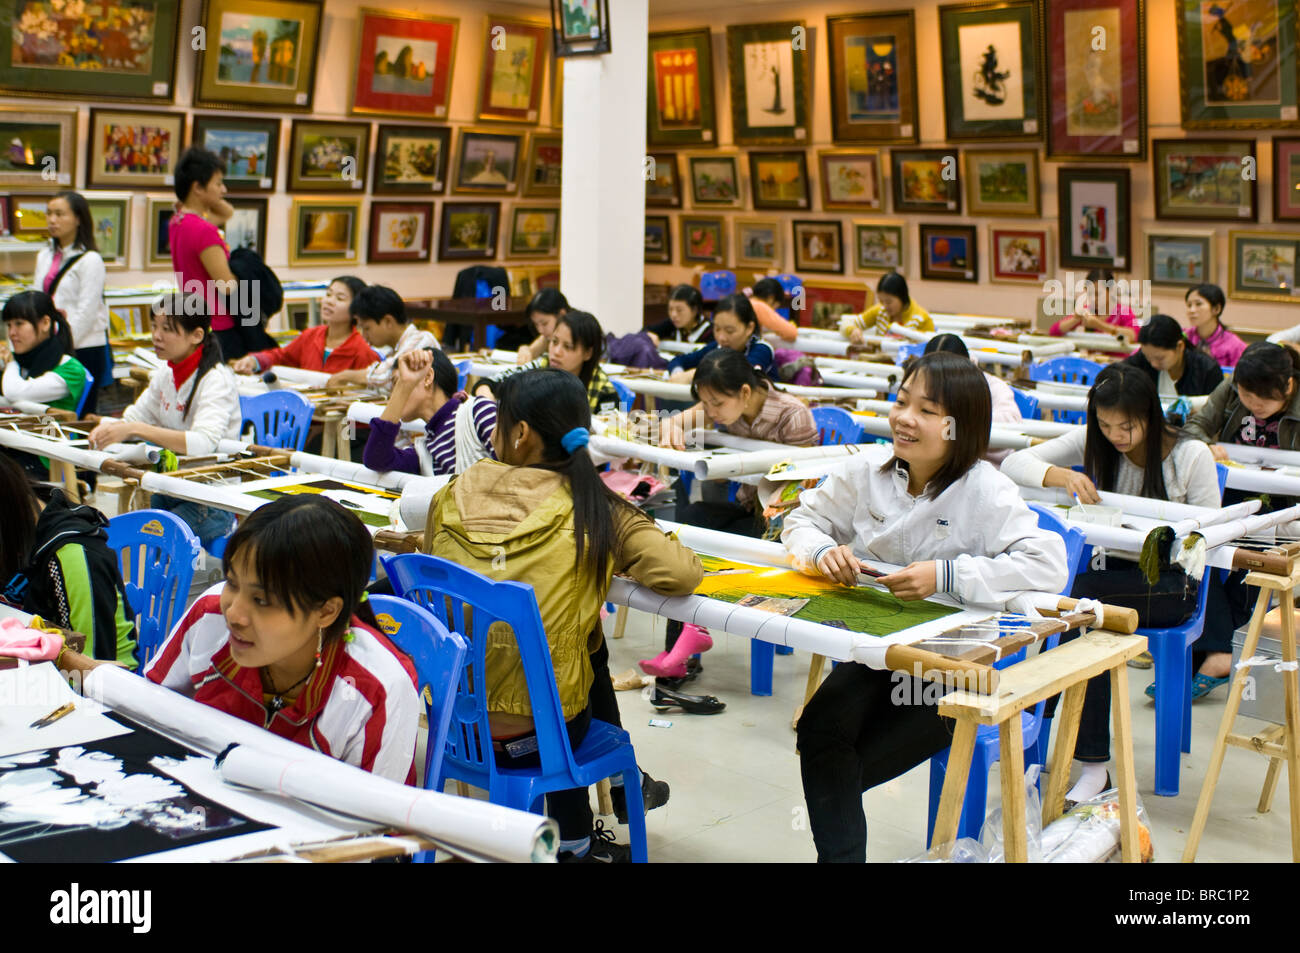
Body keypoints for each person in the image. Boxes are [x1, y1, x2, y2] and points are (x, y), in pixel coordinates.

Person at [783, 352, 1068, 862]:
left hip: (955, 665)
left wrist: (945, 575)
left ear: (960, 427)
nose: (904, 418)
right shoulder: (865, 471)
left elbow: (1047, 564)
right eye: (901, 401)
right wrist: (823, 551)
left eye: (927, 409)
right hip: (879, 650)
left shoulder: (984, 490)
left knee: (829, 753)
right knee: (820, 730)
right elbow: (801, 521)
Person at [423, 369, 701, 861]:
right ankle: (591, 821)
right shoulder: (595, 508)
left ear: (521, 433)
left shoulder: (450, 495)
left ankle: (579, 831)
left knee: (567, 638)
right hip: (536, 739)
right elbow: (680, 574)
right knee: (576, 645)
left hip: (454, 726)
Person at [61, 496, 421, 783]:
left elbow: (372, 831)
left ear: (326, 612)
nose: (235, 613)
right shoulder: (210, 616)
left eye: (262, 600)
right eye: (233, 582)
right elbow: (149, 710)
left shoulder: (376, 688)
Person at [1000, 363, 1220, 803]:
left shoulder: (1191, 456)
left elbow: (1209, 540)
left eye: (1127, 425)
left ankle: (1041, 732)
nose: (1116, 435)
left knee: (1077, 603)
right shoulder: (1095, 442)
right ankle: (1076, 755)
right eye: (1104, 424)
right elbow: (1012, 461)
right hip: (1111, 580)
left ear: (1151, 416)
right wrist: (1059, 475)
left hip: (1175, 588)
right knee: (1086, 617)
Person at [647, 348, 818, 702]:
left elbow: (802, 491)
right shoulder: (722, 402)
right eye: (705, 404)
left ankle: (690, 640)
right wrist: (671, 426)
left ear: (744, 392)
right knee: (691, 522)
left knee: (714, 544)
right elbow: (677, 421)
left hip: (781, 526)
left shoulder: (793, 416)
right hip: (745, 510)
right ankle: (685, 642)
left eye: (716, 404)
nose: (710, 413)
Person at [1184, 342, 1300, 690]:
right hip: (1233, 492)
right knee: (1204, 548)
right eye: (1247, 396)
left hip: (1287, 501)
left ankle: (1222, 648)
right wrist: (1207, 445)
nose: (1254, 405)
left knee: (1249, 563)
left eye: (1264, 399)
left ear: (1289, 387)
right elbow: (1195, 426)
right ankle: (1221, 649)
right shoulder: (1233, 385)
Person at [87, 295, 242, 547]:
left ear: (196, 335)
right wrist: (110, 429)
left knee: (150, 539)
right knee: (137, 531)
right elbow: (135, 416)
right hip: (174, 486)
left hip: (213, 499)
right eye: (154, 326)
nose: (156, 336)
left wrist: (135, 429)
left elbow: (202, 443)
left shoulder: (216, 380)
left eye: (167, 329)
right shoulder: (166, 373)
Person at [0, 455, 137, 668]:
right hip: (35, 664)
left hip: (98, 684)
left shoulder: (73, 557)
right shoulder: (20, 531)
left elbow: (94, 665)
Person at [170, 146, 262, 361]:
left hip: (194, 319)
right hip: (219, 325)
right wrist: (247, 272)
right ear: (198, 187)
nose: (224, 190)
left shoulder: (179, 222)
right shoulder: (204, 230)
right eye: (218, 183)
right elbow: (227, 285)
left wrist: (206, 196)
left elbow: (227, 211)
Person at [33, 191, 110, 414]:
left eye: (59, 214)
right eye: (48, 213)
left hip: (83, 347)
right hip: (51, 345)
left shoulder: (91, 260)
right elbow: (37, 299)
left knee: (79, 416)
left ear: (78, 218)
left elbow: (86, 311)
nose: (52, 220)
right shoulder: (45, 255)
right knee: (49, 414)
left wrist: (60, 346)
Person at [362, 348, 496, 476]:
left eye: (398, 383)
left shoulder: (478, 411)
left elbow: (513, 471)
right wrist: (403, 387)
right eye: (399, 386)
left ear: (428, 377)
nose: (396, 396)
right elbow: (376, 459)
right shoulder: (425, 450)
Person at [232, 276, 377, 375]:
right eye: (328, 295)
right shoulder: (311, 335)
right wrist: (254, 361)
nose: (329, 301)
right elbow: (281, 356)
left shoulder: (362, 352)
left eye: (340, 298)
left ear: (356, 309)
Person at [922, 333, 1020, 463]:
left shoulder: (994, 387)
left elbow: (1012, 425)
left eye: (945, 377)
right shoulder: (922, 382)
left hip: (989, 464)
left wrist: (962, 419)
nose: (939, 384)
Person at [325, 285, 438, 391]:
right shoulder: (392, 350)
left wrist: (345, 376)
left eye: (367, 328)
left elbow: (386, 376)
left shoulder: (422, 340)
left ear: (388, 321)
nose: (364, 335)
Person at [0, 290, 88, 413]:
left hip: (50, 432)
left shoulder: (71, 370)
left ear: (45, 323)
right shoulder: (19, 361)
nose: (11, 333)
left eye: (19, 324)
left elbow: (14, 392)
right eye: (9, 325)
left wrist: (10, 362)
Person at [665, 294, 776, 381]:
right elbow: (679, 360)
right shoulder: (717, 347)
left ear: (749, 328)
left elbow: (741, 375)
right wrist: (678, 373)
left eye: (729, 331)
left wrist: (694, 374)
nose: (721, 337)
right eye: (717, 329)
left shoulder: (762, 350)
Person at [1123, 313, 1224, 398]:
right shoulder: (1140, 361)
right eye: (1148, 358)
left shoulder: (1207, 370)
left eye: (1160, 358)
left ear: (1180, 346)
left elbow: (1216, 412)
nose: (1153, 364)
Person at [1048, 268, 1138, 343]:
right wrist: (1075, 319)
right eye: (1090, 294)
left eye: (1097, 294)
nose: (1093, 299)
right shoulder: (1088, 311)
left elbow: (1134, 336)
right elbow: (1053, 332)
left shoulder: (1123, 312)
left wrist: (1099, 325)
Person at [838, 272, 932, 343]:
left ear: (902, 297)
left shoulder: (921, 318)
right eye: (881, 301)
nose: (885, 306)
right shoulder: (880, 311)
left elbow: (932, 346)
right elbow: (847, 323)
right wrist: (853, 330)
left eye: (889, 302)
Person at [1185, 283, 1247, 369]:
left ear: (1216, 309)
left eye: (1198, 304)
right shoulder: (1183, 337)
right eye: (1189, 305)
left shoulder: (1235, 345)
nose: (1191, 310)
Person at [644, 284, 712, 349]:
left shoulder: (710, 331)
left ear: (694, 310)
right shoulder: (671, 324)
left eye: (679, 310)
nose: (673, 315)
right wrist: (648, 335)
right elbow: (644, 331)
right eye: (670, 309)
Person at [514, 288, 571, 364]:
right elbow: (539, 344)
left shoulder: (578, 332)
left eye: (545, 323)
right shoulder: (549, 335)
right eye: (536, 324)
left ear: (561, 315)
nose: (540, 330)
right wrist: (526, 350)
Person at [748, 277, 800, 342]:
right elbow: (791, 333)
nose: (772, 311)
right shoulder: (759, 306)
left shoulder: (747, 301)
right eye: (774, 308)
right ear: (771, 298)